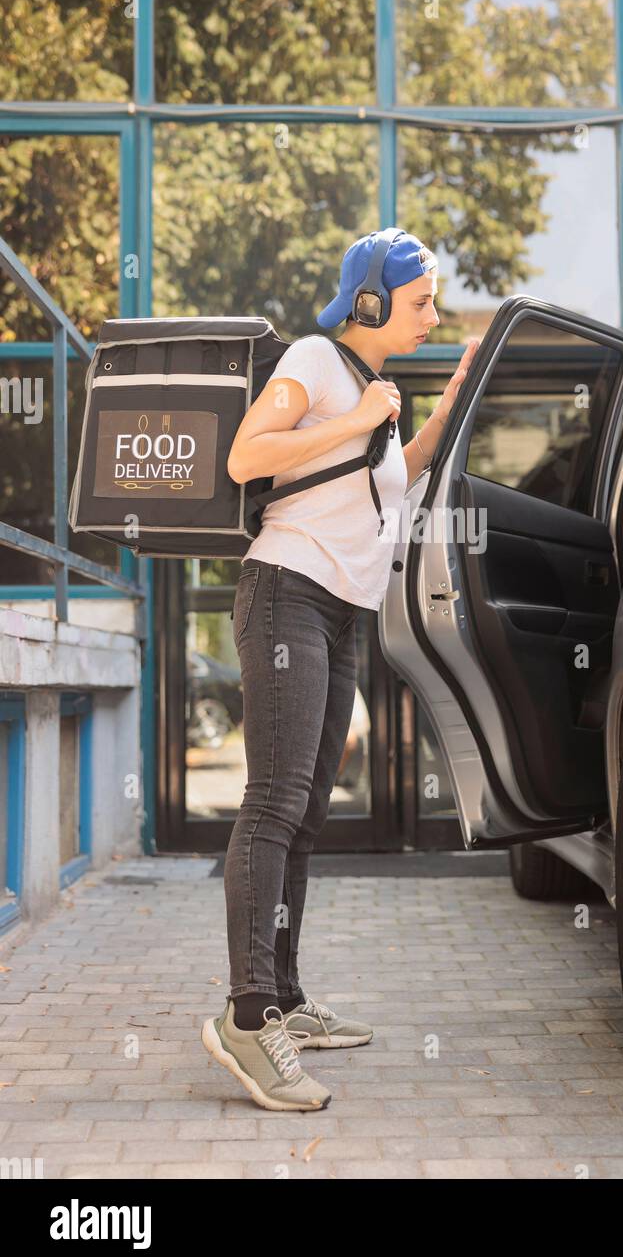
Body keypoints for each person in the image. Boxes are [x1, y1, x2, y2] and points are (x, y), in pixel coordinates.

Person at [200, 228, 480, 1111]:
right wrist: (363, 419)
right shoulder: (317, 361)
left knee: (308, 810)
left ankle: (283, 996)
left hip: (338, 608)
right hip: (287, 594)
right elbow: (247, 455)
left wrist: (443, 408)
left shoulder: (369, 390)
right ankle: (247, 1019)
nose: (431, 313)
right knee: (274, 804)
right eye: (420, 299)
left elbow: (397, 472)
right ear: (370, 303)